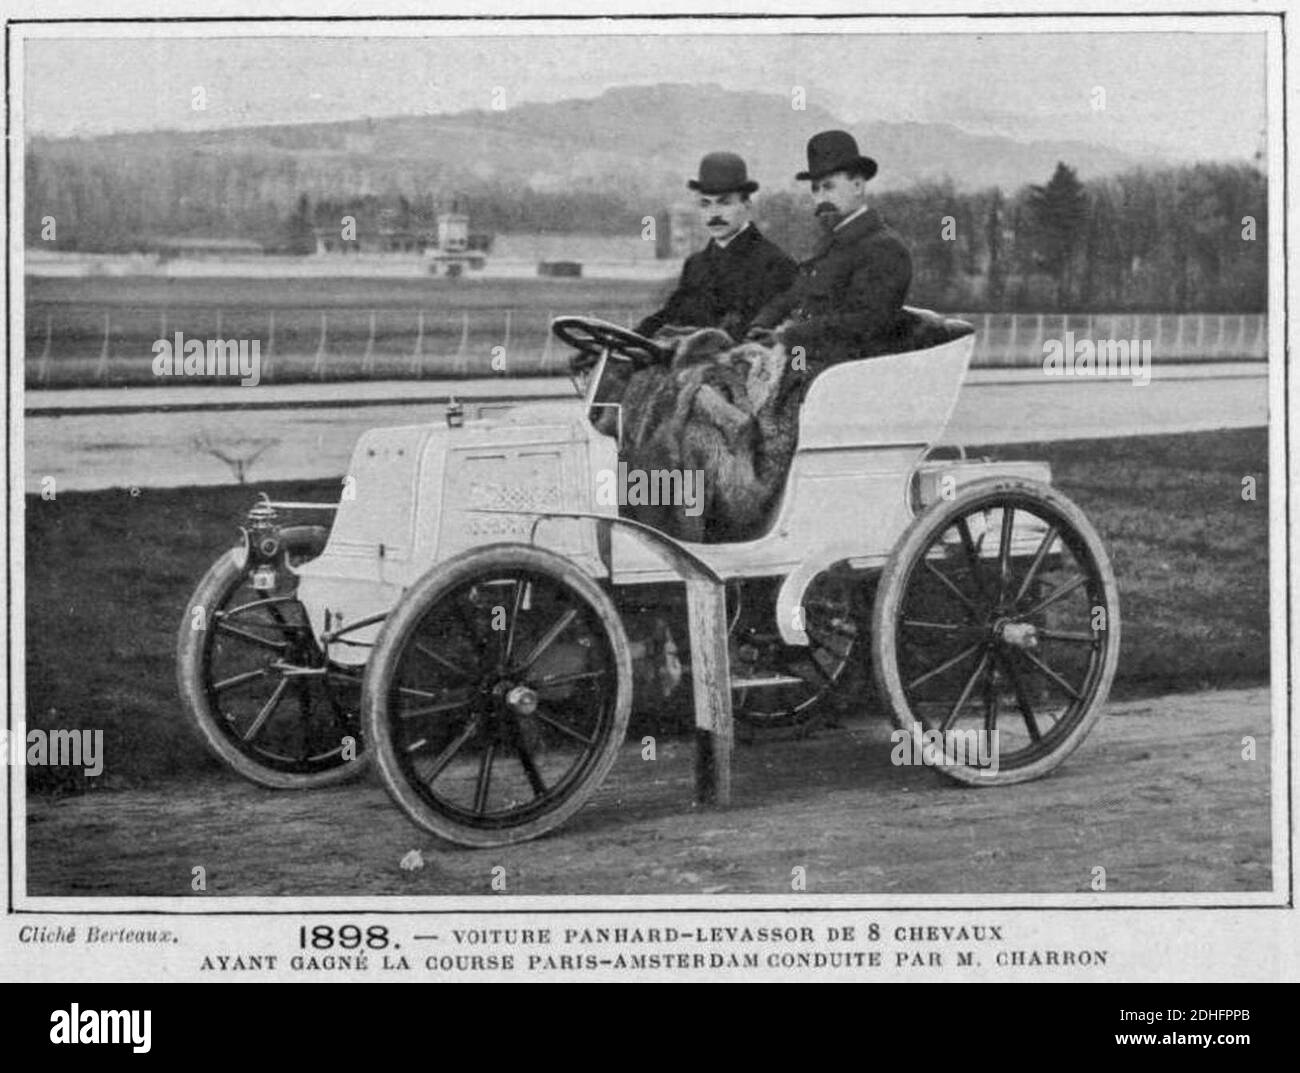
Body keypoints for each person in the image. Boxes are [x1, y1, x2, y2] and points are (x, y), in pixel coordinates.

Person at [748, 130, 913, 383]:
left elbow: (868, 322)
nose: (821, 198)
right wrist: (761, 325)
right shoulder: (831, 246)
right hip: (808, 359)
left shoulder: (884, 247)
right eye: (815, 189)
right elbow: (796, 295)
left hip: (845, 373)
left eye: (829, 186)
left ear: (858, 185)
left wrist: (790, 336)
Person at [635, 152, 797, 341]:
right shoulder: (695, 265)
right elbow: (670, 315)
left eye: (724, 203)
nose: (714, 214)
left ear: (746, 205)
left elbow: (766, 335)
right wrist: (631, 337)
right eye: (705, 204)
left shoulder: (776, 264)